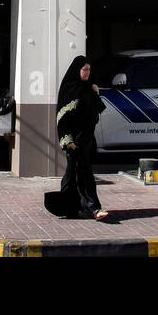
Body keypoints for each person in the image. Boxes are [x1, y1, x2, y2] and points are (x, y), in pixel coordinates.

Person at [46, 56, 108, 221]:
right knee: (84, 173)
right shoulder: (69, 88)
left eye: (89, 69)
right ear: (77, 70)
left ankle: (68, 206)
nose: (87, 72)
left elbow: (99, 109)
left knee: (73, 173)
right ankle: (94, 208)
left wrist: (95, 92)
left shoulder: (87, 87)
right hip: (74, 141)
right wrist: (67, 140)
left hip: (86, 139)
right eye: (84, 69)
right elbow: (62, 118)